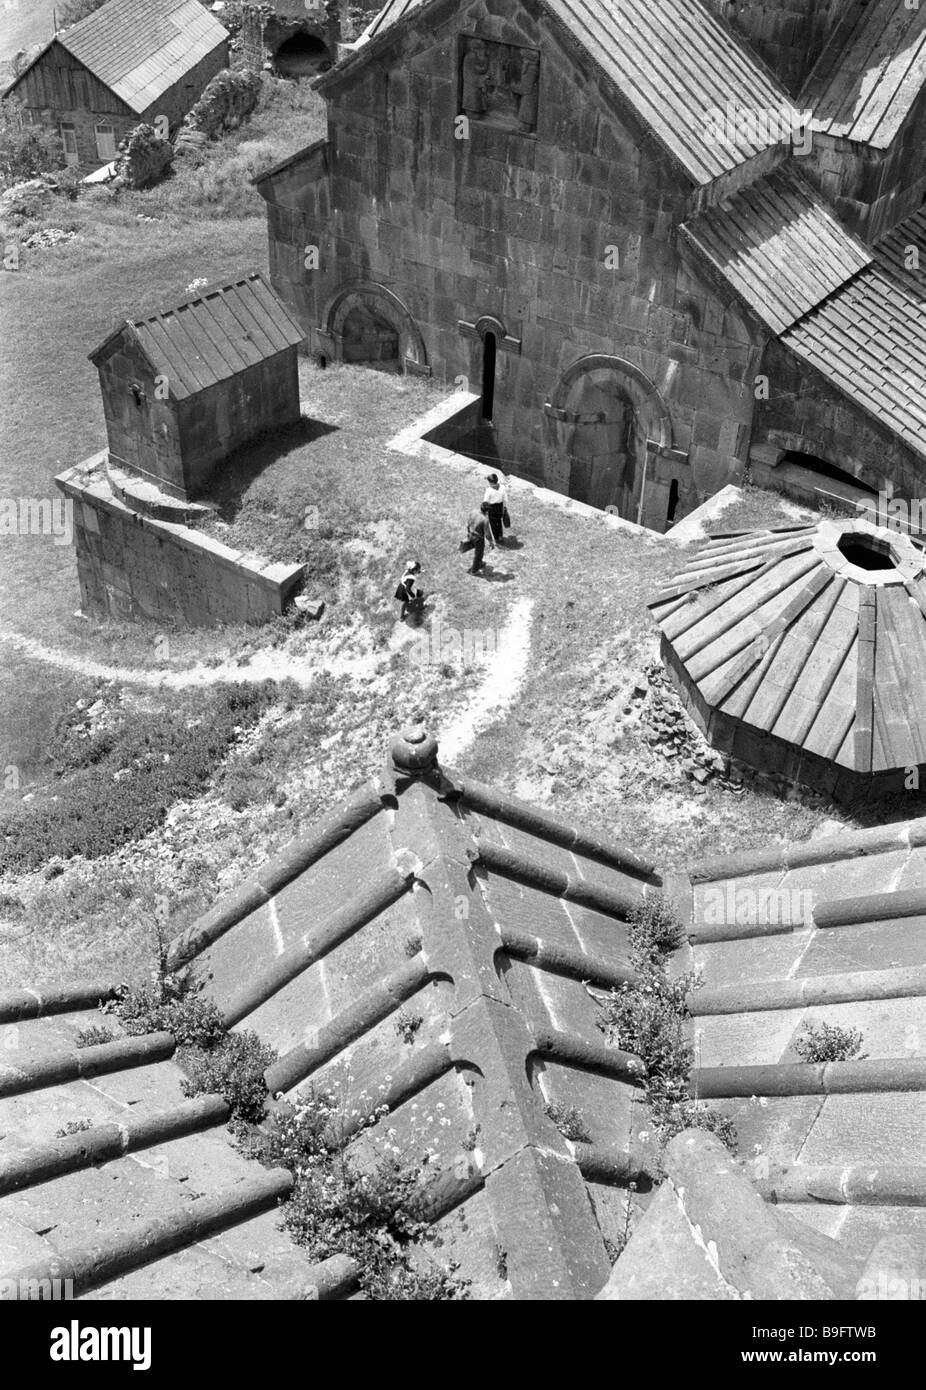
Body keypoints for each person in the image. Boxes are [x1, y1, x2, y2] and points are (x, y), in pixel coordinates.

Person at [465, 501, 495, 575]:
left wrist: (468, 532)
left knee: (480, 552)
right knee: (478, 554)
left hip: (470, 534)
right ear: (487, 511)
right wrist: (491, 542)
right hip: (478, 539)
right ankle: (474, 571)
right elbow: (487, 534)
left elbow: (468, 523)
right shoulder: (485, 519)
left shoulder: (473, 512)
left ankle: (480, 563)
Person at [483, 472, 509, 544]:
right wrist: (504, 507)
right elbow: (505, 499)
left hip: (492, 508)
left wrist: (485, 510)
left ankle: (496, 537)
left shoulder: (489, 490)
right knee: (499, 521)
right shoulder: (502, 487)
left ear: (490, 482)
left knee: (493, 524)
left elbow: (485, 501)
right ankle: (500, 536)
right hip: (500, 507)